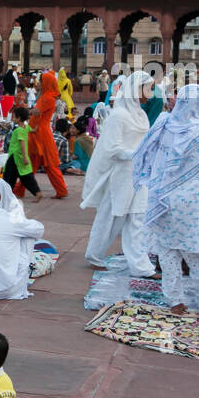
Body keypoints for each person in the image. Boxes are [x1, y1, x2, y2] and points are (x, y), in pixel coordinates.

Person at [132, 83, 199, 319]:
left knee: (168, 251)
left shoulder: (166, 125)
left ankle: (175, 301)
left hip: (164, 195)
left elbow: (149, 153)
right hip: (194, 199)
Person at [81, 71, 153, 273]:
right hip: (120, 175)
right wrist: (137, 154)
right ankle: (94, 254)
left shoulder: (141, 114)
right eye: (147, 88)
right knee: (111, 217)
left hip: (139, 174)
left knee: (138, 217)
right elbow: (113, 149)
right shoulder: (119, 116)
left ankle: (141, 266)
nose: (150, 93)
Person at [28, 71, 67, 198]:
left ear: (47, 83)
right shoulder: (46, 96)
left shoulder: (48, 98)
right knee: (34, 163)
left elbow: (37, 112)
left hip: (41, 133)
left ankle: (61, 190)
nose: (39, 84)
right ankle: (18, 189)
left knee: (48, 164)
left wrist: (24, 110)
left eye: (42, 81)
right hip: (38, 132)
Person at [3, 106, 42, 203]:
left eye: (14, 117)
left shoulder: (19, 130)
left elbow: (22, 144)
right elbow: (32, 130)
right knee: (26, 177)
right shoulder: (26, 127)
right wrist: (36, 128)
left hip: (15, 156)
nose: (13, 119)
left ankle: (6, 195)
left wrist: (25, 157)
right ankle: (37, 192)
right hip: (20, 157)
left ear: (19, 118)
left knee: (8, 176)